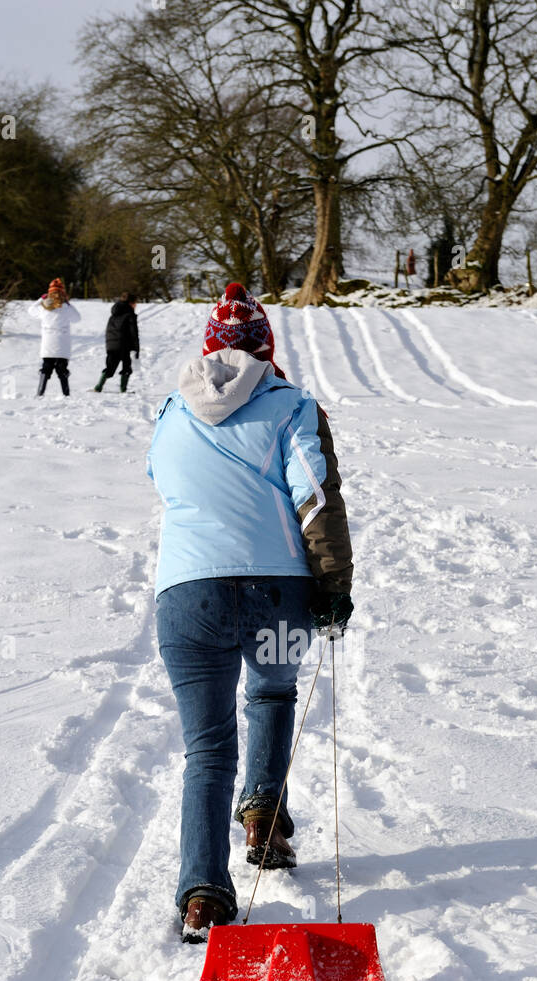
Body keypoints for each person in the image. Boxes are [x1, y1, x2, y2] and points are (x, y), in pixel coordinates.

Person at [147, 283, 354, 942]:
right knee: (268, 694)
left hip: (188, 596)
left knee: (206, 750)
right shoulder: (291, 406)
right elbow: (315, 497)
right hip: (274, 593)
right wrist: (333, 582)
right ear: (265, 349)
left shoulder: (170, 411)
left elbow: (160, 479)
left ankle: (203, 895)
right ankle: (264, 812)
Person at [27, 278, 81, 397]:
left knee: (46, 368)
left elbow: (30, 310)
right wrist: (68, 302)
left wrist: (42, 298)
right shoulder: (66, 308)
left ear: (49, 293)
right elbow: (77, 318)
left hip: (48, 344)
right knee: (62, 370)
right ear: (63, 293)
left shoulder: (44, 307)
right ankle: (66, 394)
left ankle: (40, 393)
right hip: (63, 345)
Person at [94, 292, 140, 393]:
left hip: (111, 345)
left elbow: (108, 331)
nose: (136, 305)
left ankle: (98, 387)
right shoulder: (130, 315)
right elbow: (134, 333)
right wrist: (136, 348)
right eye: (135, 303)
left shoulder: (113, 315)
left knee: (110, 368)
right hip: (124, 345)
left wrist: (109, 345)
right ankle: (123, 390)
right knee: (126, 367)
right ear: (131, 303)